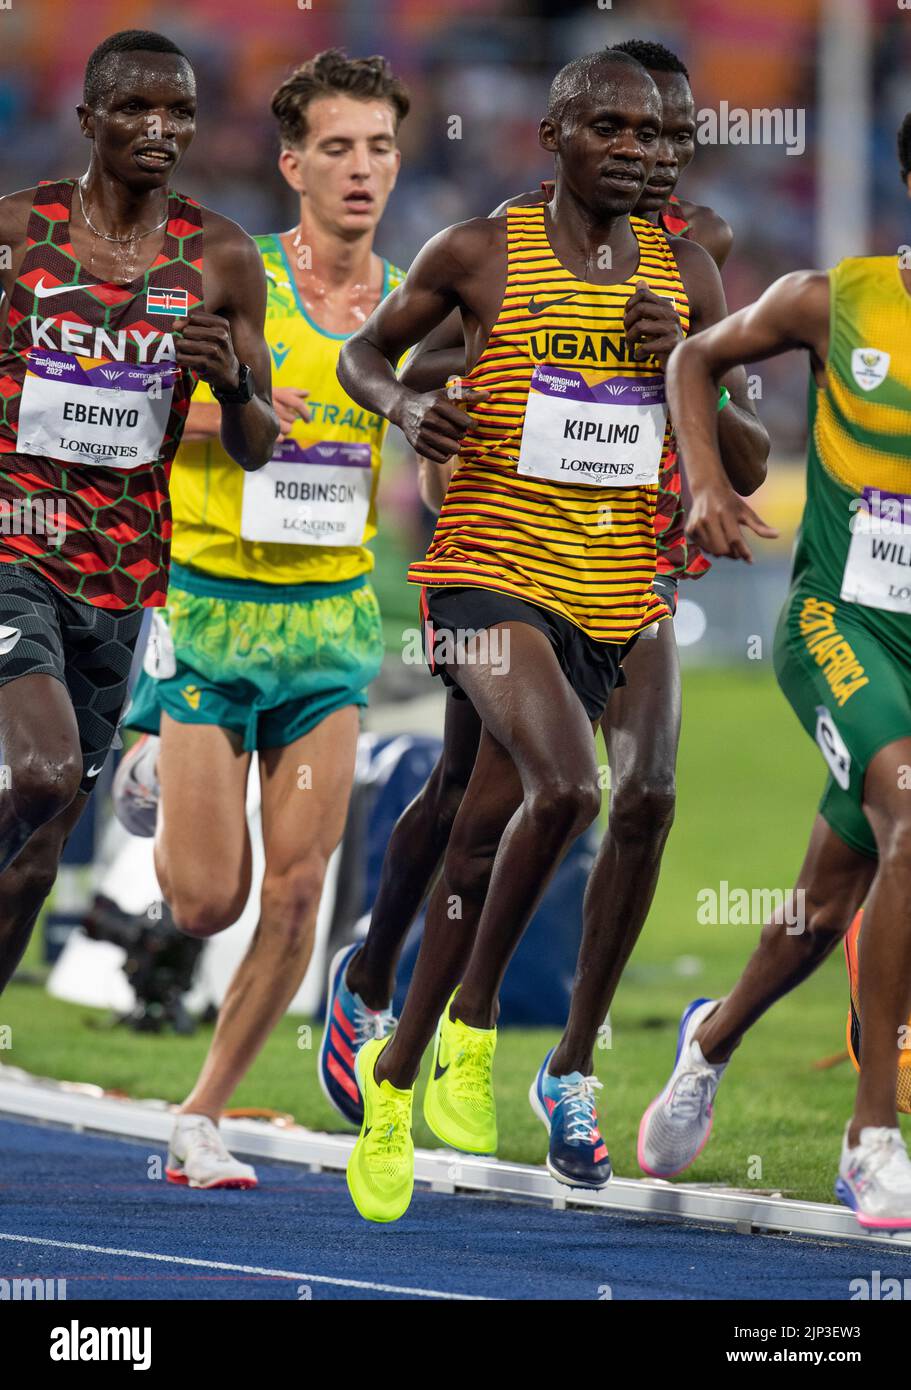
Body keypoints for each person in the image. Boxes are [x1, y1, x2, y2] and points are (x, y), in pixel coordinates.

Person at [321, 40, 767, 1196]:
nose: (638, 153)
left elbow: (749, 456)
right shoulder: (477, 251)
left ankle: (541, 1062)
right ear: (554, 134)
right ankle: (432, 1042)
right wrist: (409, 401)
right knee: (560, 788)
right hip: (482, 574)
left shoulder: (689, 273)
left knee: (630, 800)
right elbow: (363, 357)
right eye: (613, 131)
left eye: (661, 136)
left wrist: (689, 369)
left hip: (619, 583)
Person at [113, 50, 409, 1189]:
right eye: (336, 147)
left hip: (327, 627)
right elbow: (123, 418)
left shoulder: (411, 302)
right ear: (293, 164)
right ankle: (145, 759)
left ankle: (202, 1115)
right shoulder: (234, 280)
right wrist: (230, 411)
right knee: (205, 899)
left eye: (379, 147)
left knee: (295, 888)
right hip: (212, 613)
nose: (361, 168)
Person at [638, 111, 911, 1231]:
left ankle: (707, 1039)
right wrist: (702, 480)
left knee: (822, 903)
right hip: (838, 624)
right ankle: (872, 1134)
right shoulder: (829, 298)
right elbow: (692, 357)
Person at [0, 29, 277, 998]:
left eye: (179, 112)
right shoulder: (14, 235)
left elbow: (260, 444)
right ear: (88, 120)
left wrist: (234, 384)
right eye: (134, 108)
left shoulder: (225, 258)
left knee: (37, 858)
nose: (160, 128)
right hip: (13, 541)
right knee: (36, 772)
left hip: (120, 574)